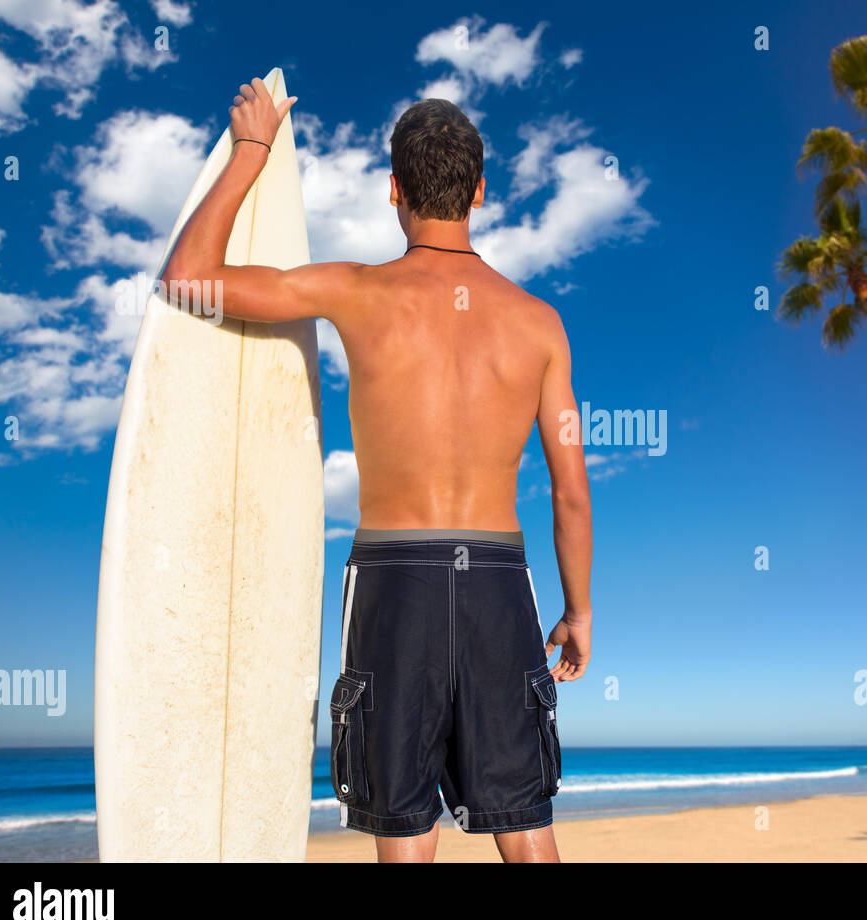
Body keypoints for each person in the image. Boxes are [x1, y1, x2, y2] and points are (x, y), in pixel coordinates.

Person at [160, 78, 593, 863]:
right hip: (499, 577)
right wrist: (579, 610)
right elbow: (570, 488)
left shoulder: (353, 291)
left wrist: (251, 151)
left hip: (397, 577)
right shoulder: (539, 324)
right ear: (481, 192)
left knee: (404, 834)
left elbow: (187, 278)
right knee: (526, 826)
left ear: (394, 189)